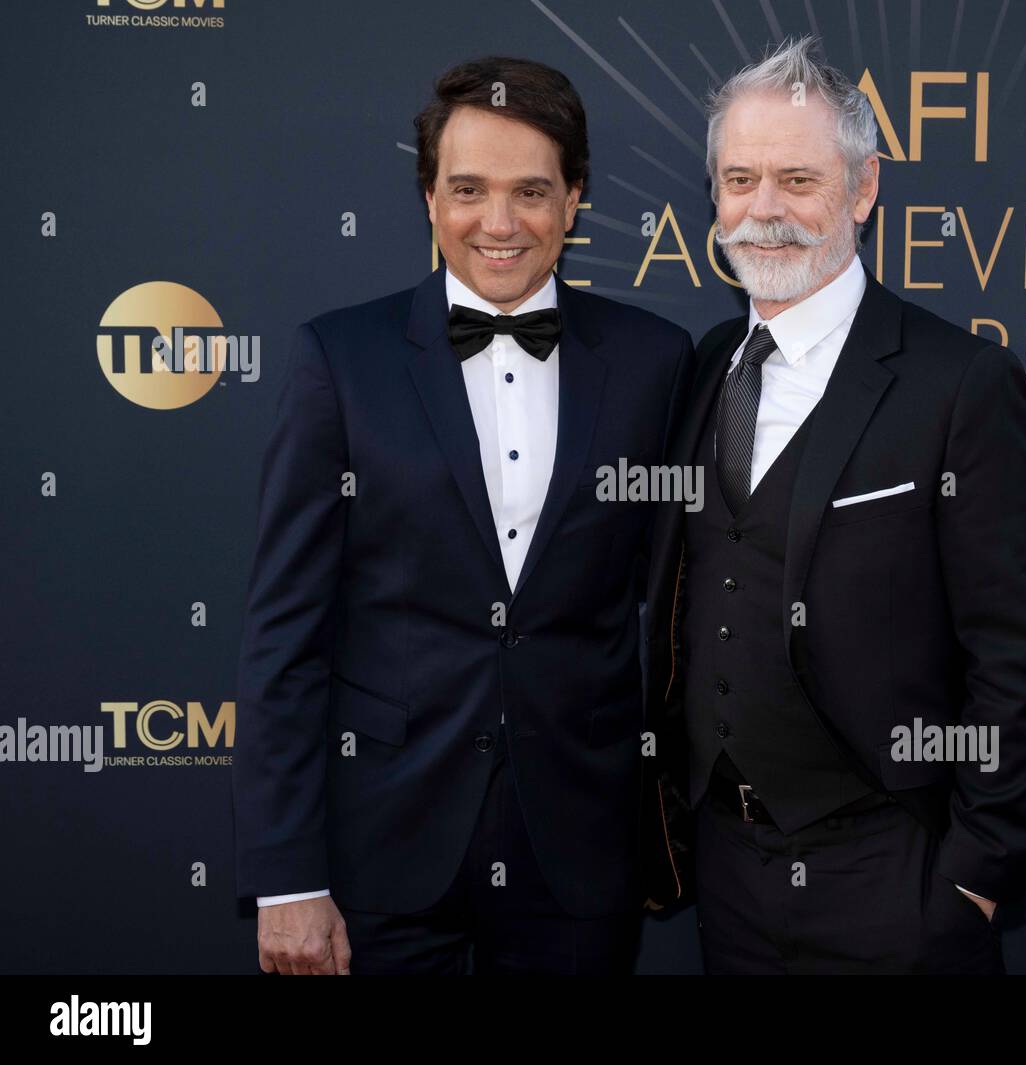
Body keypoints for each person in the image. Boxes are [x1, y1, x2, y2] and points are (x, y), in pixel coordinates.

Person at [233, 55, 694, 974]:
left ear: (573, 204)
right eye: (468, 189)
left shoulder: (656, 361)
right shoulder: (341, 359)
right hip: (384, 851)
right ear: (430, 201)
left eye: (531, 191)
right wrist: (287, 876)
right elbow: (285, 631)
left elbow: (683, 607)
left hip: (580, 853)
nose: (499, 223)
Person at [640, 36, 1026, 974]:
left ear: (864, 190)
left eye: (798, 178)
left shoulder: (961, 384)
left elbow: (1019, 654)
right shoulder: (706, 365)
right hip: (726, 866)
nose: (764, 210)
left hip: (895, 873)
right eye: (739, 178)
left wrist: (974, 877)